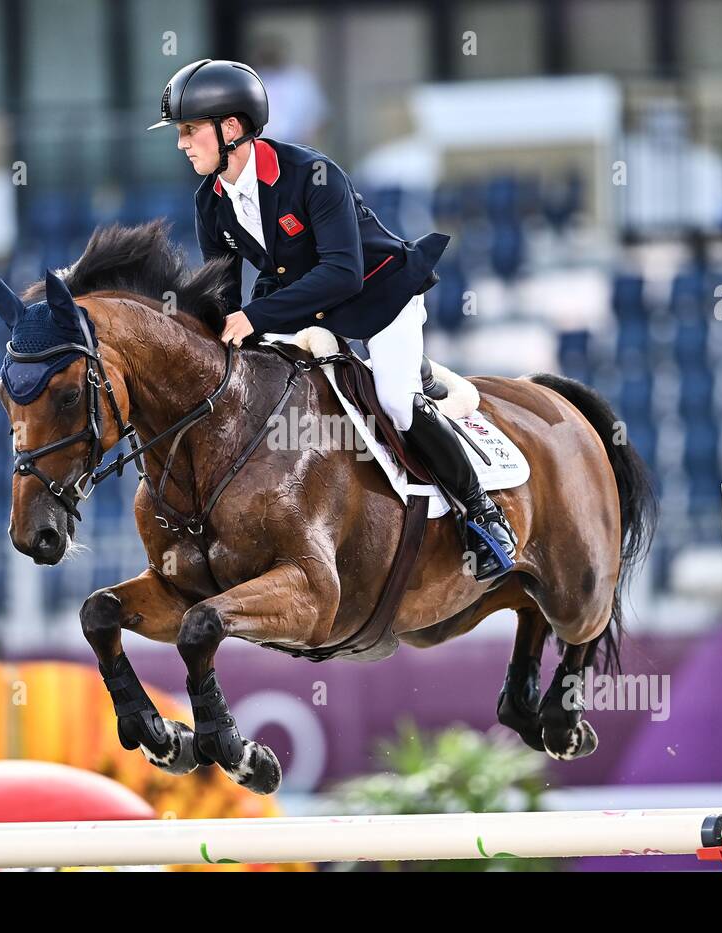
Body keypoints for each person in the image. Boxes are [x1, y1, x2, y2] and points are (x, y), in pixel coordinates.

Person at [147, 58, 516, 581]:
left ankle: (483, 516)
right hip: (300, 305)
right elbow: (223, 289)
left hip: (378, 294)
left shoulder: (312, 175)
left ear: (231, 129)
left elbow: (342, 274)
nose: (182, 143)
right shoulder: (210, 201)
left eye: (189, 130)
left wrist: (254, 316)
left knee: (395, 403)